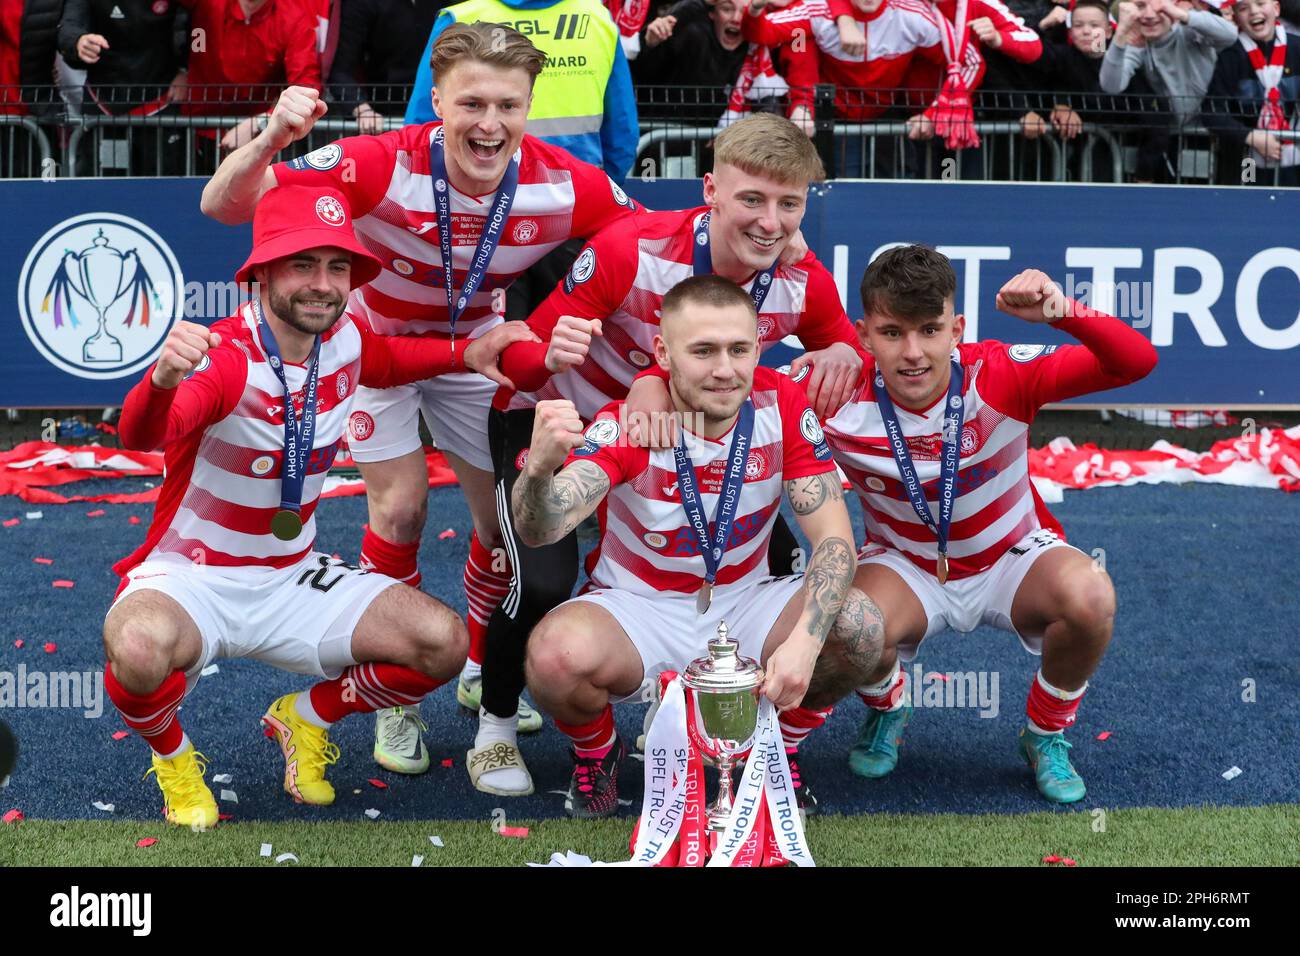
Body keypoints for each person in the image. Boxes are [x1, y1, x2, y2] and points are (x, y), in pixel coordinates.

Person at [199, 22, 644, 773]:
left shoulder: (565, 182)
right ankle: (393, 696)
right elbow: (224, 203)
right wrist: (274, 134)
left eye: (509, 105)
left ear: (530, 107)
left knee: (500, 528)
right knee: (399, 510)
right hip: (375, 346)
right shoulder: (380, 161)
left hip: (479, 351)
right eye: (471, 103)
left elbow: (644, 238)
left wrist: (773, 249)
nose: (490, 124)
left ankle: (477, 664)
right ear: (435, 102)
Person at [101, 186, 533, 828]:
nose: (323, 285)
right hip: (194, 578)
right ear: (262, 274)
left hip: (293, 574)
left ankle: (304, 717)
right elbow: (143, 435)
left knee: (442, 645)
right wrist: (161, 381)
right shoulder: (225, 359)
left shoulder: (346, 340)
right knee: (136, 649)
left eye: (337, 268)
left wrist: (463, 353)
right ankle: (175, 759)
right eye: (303, 264)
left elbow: (387, 359)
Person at [472, 112, 864, 797]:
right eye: (752, 200)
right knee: (537, 580)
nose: (770, 222)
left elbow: (844, 347)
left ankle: (758, 733)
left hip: (702, 428)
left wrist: (840, 353)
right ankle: (498, 724)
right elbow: (524, 349)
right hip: (573, 421)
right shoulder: (633, 248)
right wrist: (609, 394)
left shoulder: (802, 279)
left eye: (788, 205)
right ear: (710, 190)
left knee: (802, 580)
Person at [516, 275, 885, 817]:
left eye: (739, 349)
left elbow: (834, 539)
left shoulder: (780, 404)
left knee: (858, 627)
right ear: (663, 353)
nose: (724, 369)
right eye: (703, 351)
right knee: (552, 657)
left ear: (759, 344)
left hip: (744, 597)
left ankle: (778, 753)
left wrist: (804, 645)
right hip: (636, 606)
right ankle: (599, 753)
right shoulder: (631, 422)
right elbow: (541, 529)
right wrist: (542, 471)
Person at [818, 245, 1156, 803]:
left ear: (958, 329)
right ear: (863, 334)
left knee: (1090, 594)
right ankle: (887, 706)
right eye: (892, 332)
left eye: (929, 330)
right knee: (848, 623)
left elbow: (1136, 362)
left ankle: (1044, 735)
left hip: (1011, 557)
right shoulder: (835, 393)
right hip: (907, 566)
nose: (913, 353)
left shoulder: (999, 372)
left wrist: (1063, 312)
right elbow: (727, 400)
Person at [403, 0, 639, 184]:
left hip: (472, 198)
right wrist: (602, 190)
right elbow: (622, 133)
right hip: (573, 194)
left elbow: (421, 126)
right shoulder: (599, 19)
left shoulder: (459, 17)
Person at [1202, 0, 1300, 186]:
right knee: (1251, 199)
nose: (1254, 12)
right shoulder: (1231, 57)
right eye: (1243, 8)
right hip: (1247, 158)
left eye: (1260, 3)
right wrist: (1252, 137)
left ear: (1276, 8)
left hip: (1293, 155)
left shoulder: (1297, 49)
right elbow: (1211, 112)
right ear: (1235, 17)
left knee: (1291, 205)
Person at [1100, 0, 1238, 128]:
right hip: (1166, 135)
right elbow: (1111, 86)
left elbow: (1230, 35)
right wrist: (1121, 33)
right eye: (1140, 6)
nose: (1149, 15)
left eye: (1159, 6)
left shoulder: (1190, 30)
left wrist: (1183, 15)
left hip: (1207, 130)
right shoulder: (1137, 43)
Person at [327, 0, 450, 134]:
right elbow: (340, 70)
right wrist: (362, 109)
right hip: (384, 115)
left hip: (438, 111)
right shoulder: (362, 4)